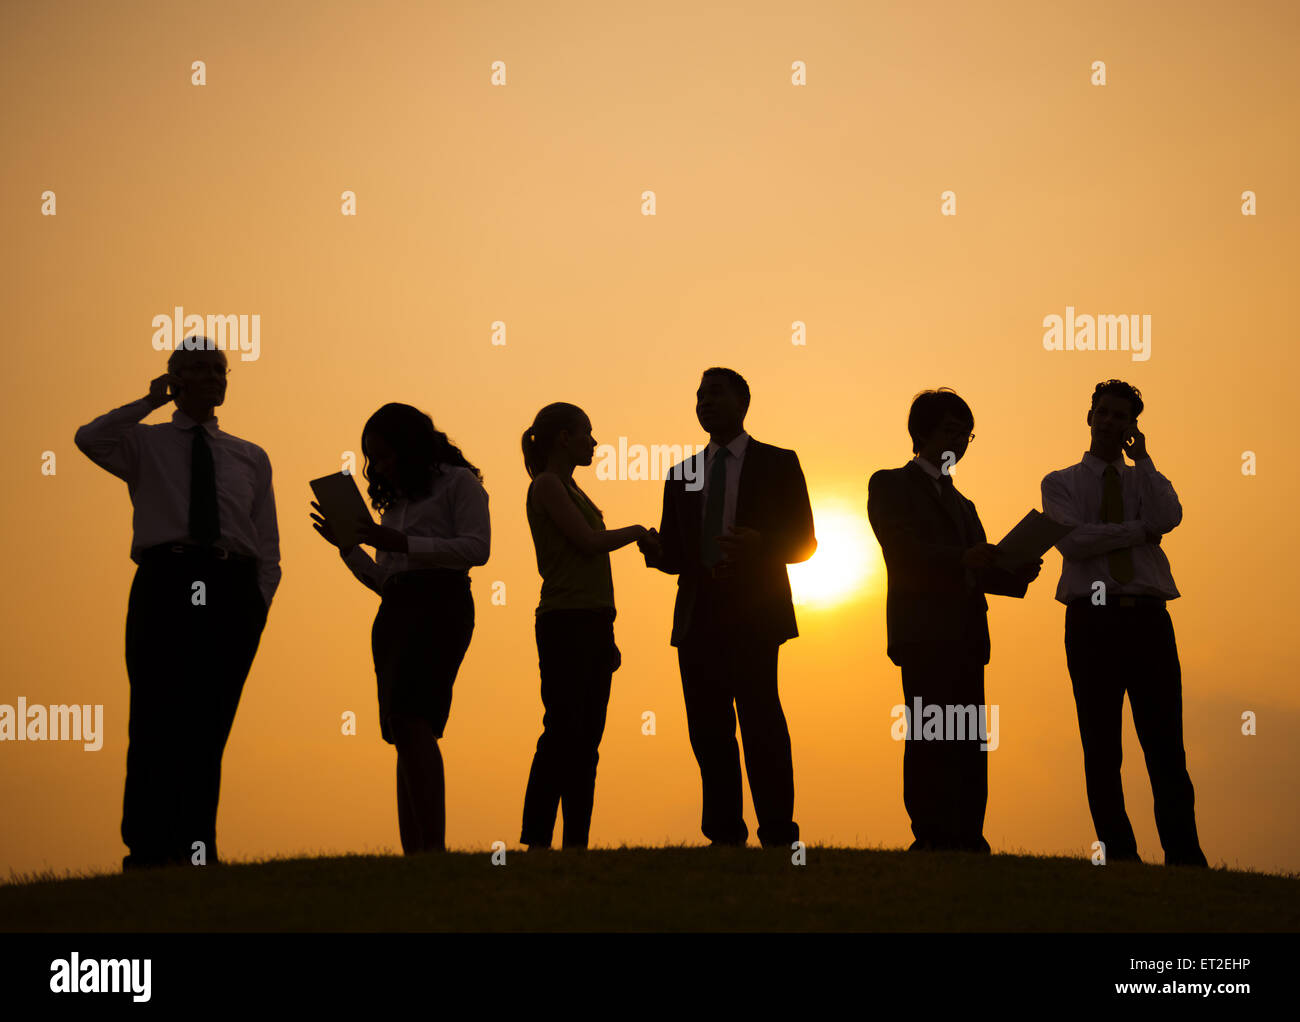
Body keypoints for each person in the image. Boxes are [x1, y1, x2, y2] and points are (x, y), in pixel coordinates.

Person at [75, 337, 280, 870]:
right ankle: (147, 848)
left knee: (210, 721)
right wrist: (150, 401)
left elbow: (266, 541)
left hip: (231, 585)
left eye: (220, 369)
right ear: (176, 379)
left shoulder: (250, 455)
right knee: (154, 714)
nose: (214, 377)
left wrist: (258, 602)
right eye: (199, 368)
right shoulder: (144, 444)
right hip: (167, 578)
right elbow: (88, 438)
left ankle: (196, 848)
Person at [639, 368, 816, 848]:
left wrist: (761, 543)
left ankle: (778, 832)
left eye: (715, 393)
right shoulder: (681, 474)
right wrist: (656, 553)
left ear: (744, 402)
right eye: (699, 395)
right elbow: (677, 556)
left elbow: (805, 543)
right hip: (699, 615)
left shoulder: (778, 462)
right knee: (708, 729)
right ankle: (723, 836)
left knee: (762, 722)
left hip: (755, 611)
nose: (704, 402)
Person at [1040, 380, 1207, 867]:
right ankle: (1119, 853)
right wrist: (1138, 532)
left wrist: (1146, 462)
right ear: (1089, 416)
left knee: (1166, 748)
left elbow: (1170, 516)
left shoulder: (1145, 479)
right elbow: (1072, 542)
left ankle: (1184, 855)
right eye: (1105, 414)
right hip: (1092, 622)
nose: (1112, 423)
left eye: (1123, 417)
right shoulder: (1061, 481)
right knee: (1101, 744)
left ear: (1134, 426)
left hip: (1149, 620)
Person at [867, 388, 1040, 853]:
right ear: (920, 433)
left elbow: (980, 570)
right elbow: (901, 551)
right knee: (928, 736)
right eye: (950, 430)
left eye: (967, 434)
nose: (959, 441)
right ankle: (930, 834)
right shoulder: (888, 484)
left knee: (967, 740)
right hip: (923, 633)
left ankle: (967, 835)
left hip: (966, 636)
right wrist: (965, 557)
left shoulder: (965, 505)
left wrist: (1018, 567)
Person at [311, 403, 488, 854]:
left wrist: (401, 542)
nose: (381, 467)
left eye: (387, 455)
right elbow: (384, 579)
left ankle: (432, 848)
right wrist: (350, 548)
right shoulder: (394, 503)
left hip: (441, 605)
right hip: (396, 611)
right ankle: (417, 855)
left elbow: (477, 548)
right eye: (375, 458)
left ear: (411, 447)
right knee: (401, 727)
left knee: (414, 719)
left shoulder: (459, 483)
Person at [518, 403, 649, 850]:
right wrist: (637, 532)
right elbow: (589, 542)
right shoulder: (548, 486)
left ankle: (576, 844)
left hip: (593, 622)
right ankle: (537, 838)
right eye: (587, 433)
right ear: (563, 438)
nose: (594, 442)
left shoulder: (572, 488)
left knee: (587, 738)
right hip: (564, 622)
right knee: (562, 731)